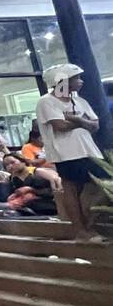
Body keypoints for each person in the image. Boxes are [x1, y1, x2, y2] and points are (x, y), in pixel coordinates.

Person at [35, 63, 109, 244]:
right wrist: (83, 121)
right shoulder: (46, 101)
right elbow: (60, 126)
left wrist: (75, 118)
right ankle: (81, 230)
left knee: (101, 184)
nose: (80, 82)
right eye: (76, 78)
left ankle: (88, 223)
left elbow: (95, 125)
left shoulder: (80, 101)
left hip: (89, 150)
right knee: (71, 187)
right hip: (66, 152)